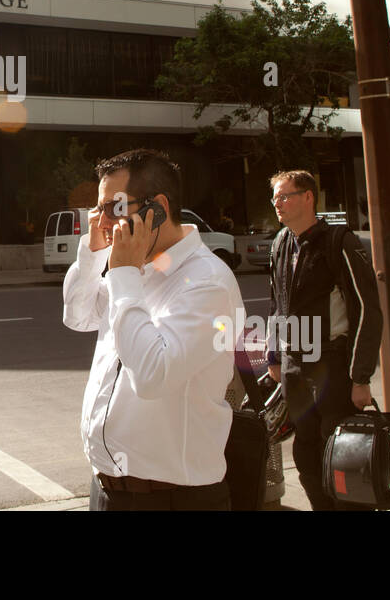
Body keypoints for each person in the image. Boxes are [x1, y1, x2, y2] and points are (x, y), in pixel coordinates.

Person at [63, 148, 244, 510]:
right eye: (96, 208)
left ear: (156, 208)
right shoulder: (137, 268)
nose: (99, 220)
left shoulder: (207, 282)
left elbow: (153, 376)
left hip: (172, 498)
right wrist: (96, 253)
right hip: (108, 488)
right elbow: (78, 315)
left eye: (112, 208)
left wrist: (123, 275)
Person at [266, 169, 382, 510]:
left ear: (308, 197)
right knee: (306, 453)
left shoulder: (339, 241)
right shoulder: (280, 243)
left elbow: (367, 310)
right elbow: (276, 304)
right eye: (275, 198)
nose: (278, 204)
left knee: (341, 453)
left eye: (285, 196)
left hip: (332, 363)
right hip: (294, 366)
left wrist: (360, 377)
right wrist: (274, 356)